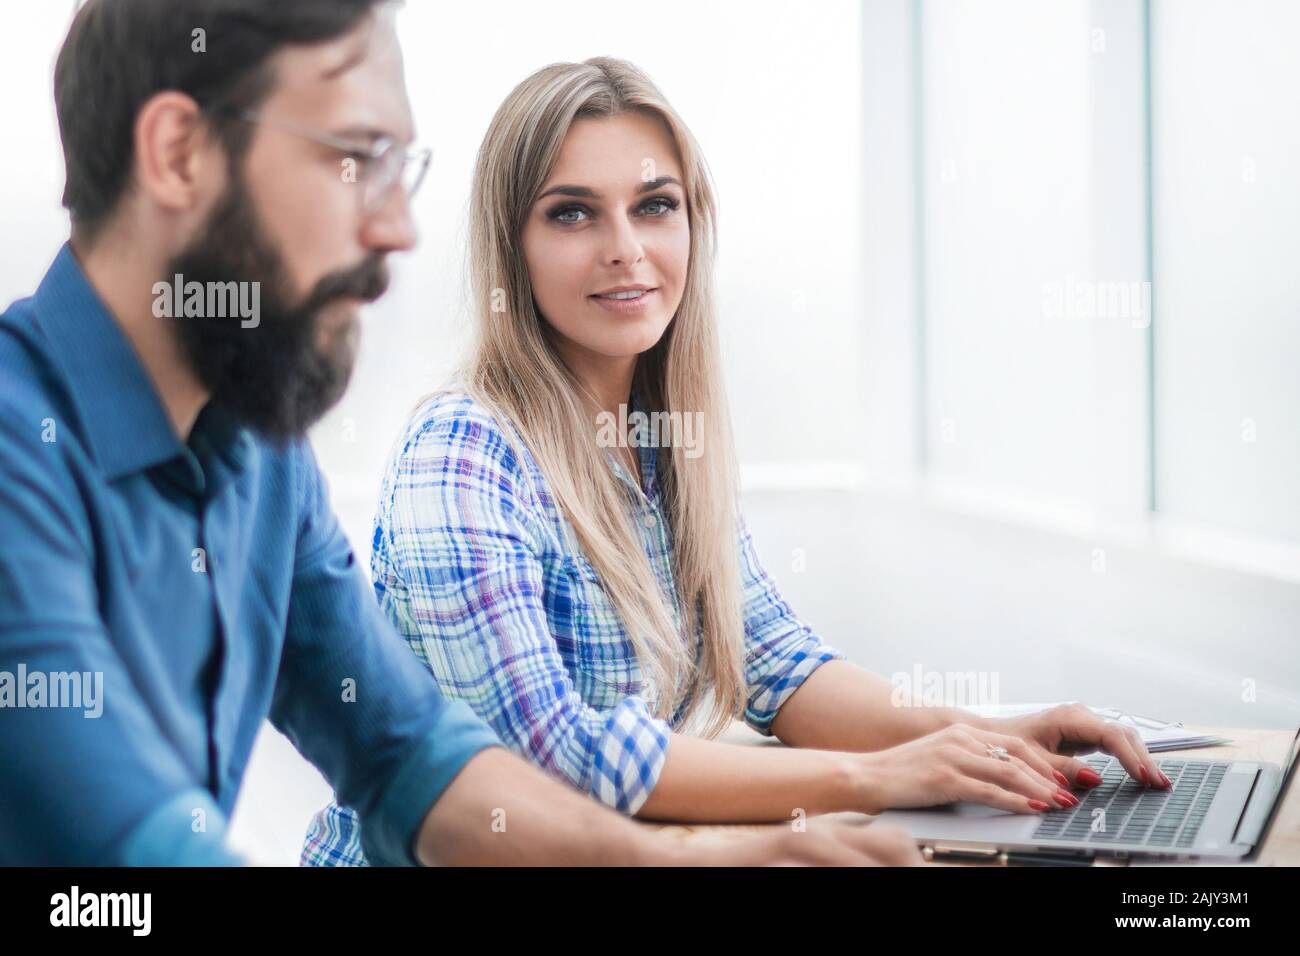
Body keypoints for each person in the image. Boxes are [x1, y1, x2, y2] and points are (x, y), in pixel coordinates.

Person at [0, 0, 919, 867]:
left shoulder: (259, 457)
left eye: (404, 169)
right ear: (177, 153)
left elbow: (417, 761)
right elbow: (122, 867)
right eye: (355, 157)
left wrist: (711, 859)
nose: (399, 228)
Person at [304, 56, 1170, 866]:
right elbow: (553, 756)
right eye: (572, 212)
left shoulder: (663, 442)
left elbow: (780, 664)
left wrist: (979, 737)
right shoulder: (461, 456)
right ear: (512, 246)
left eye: (655, 205)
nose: (625, 247)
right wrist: (875, 779)